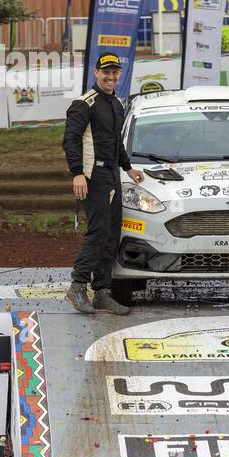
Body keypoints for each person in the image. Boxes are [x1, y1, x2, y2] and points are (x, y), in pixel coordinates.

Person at [62, 54, 144, 315]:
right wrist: (77, 173)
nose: (110, 77)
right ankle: (77, 286)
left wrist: (128, 168)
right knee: (98, 231)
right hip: (91, 176)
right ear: (96, 73)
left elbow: (116, 142)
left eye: (115, 73)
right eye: (105, 72)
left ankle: (102, 292)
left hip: (112, 176)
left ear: (119, 74)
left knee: (111, 234)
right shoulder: (84, 103)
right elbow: (70, 140)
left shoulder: (117, 104)